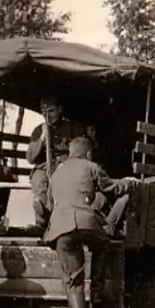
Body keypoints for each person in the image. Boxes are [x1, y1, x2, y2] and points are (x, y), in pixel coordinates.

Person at [43, 137, 138, 308]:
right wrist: (128, 182)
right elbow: (112, 188)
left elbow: (48, 203)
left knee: (72, 282)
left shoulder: (57, 172)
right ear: (88, 154)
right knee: (103, 245)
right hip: (87, 223)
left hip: (60, 228)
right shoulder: (92, 166)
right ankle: (96, 293)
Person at [26, 95, 95, 231]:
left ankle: (57, 222)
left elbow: (82, 151)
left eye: (51, 111)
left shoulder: (72, 128)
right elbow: (30, 158)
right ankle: (41, 219)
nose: (47, 116)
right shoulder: (39, 130)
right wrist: (42, 138)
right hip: (45, 167)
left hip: (65, 165)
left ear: (60, 109)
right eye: (44, 113)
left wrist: (67, 163)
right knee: (39, 180)